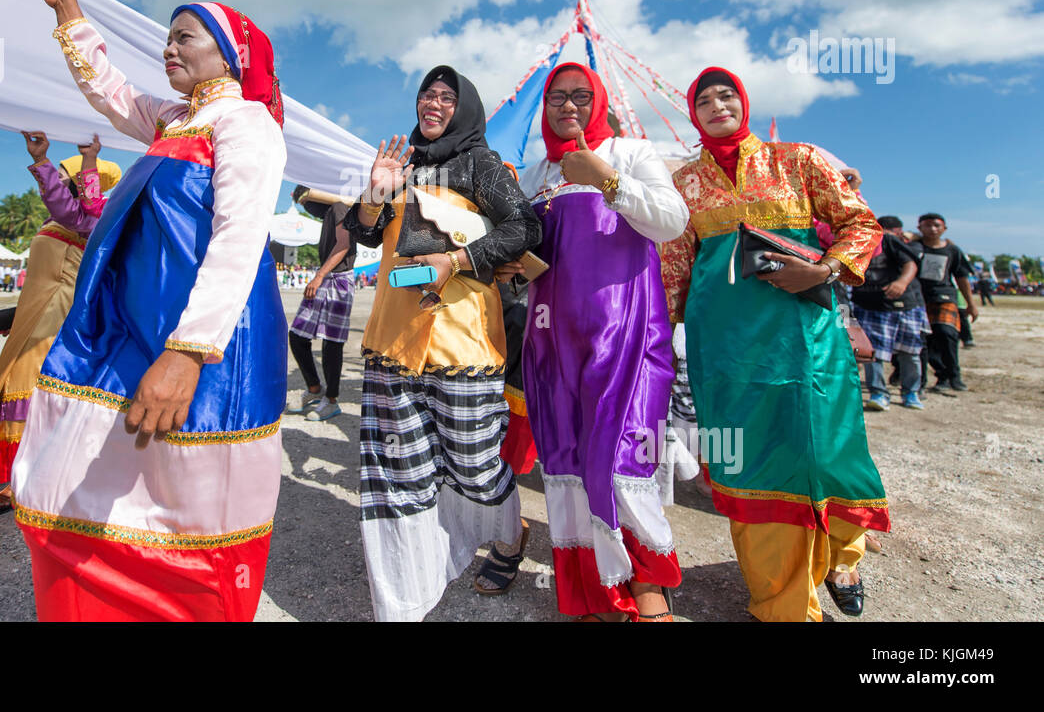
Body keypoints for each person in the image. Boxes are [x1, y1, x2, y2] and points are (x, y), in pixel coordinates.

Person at [11, 0, 287, 621]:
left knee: (184, 516)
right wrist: (68, 13)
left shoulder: (245, 123)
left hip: (209, 346)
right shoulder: (172, 122)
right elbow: (110, 92)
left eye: (186, 36)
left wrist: (189, 351)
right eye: (168, 36)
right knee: (82, 490)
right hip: (132, 333)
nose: (170, 47)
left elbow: (239, 237)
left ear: (232, 55)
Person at [660, 66, 887, 622]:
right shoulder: (684, 183)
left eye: (727, 94)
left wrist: (823, 271)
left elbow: (862, 224)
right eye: (705, 100)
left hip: (808, 342)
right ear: (694, 114)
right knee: (750, 462)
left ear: (745, 102)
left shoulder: (799, 160)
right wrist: (659, 338)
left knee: (823, 451)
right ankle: (784, 605)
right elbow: (674, 271)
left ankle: (841, 555)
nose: (718, 105)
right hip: (726, 350)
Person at [344, 65, 541, 622]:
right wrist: (372, 195)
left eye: (446, 96)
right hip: (392, 339)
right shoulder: (402, 163)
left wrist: (455, 260)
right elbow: (361, 234)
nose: (433, 103)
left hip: (462, 343)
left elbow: (525, 226)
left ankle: (510, 535)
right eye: (426, 94)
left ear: (467, 108)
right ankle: (406, 584)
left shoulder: (481, 164)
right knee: (399, 468)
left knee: (475, 466)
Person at [503, 61, 688, 621]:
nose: (568, 106)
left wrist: (604, 177)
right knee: (568, 455)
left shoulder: (632, 151)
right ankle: (589, 583)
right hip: (552, 338)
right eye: (557, 97)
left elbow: (673, 220)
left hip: (628, 333)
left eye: (581, 96)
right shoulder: (537, 172)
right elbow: (535, 254)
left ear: (599, 100)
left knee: (622, 453)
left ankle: (645, 581)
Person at [0, 130, 120, 514]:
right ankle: (24, 475)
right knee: (14, 386)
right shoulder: (59, 224)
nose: (65, 187)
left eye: (73, 182)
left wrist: (68, 163)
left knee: (36, 391)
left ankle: (23, 481)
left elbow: (77, 210)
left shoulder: (92, 223)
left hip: (58, 323)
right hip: (31, 320)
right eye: (66, 181)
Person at [287, 186, 357, 421]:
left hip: (338, 280)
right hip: (326, 277)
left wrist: (318, 276)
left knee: (332, 343)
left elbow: (344, 244)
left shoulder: (338, 207)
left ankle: (332, 401)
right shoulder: (328, 210)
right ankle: (315, 390)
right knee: (297, 335)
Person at [852, 216, 926, 411]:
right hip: (869, 304)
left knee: (909, 352)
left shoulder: (886, 239)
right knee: (872, 353)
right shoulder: (845, 240)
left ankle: (911, 392)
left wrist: (901, 283)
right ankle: (878, 393)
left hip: (904, 304)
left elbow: (911, 264)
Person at [914, 213, 977, 393]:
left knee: (947, 334)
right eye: (927, 225)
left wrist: (970, 304)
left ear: (944, 229)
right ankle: (937, 376)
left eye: (936, 225)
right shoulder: (914, 248)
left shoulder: (952, 250)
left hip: (944, 297)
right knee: (925, 341)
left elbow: (962, 277)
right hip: (920, 299)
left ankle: (954, 376)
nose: (932, 229)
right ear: (920, 228)